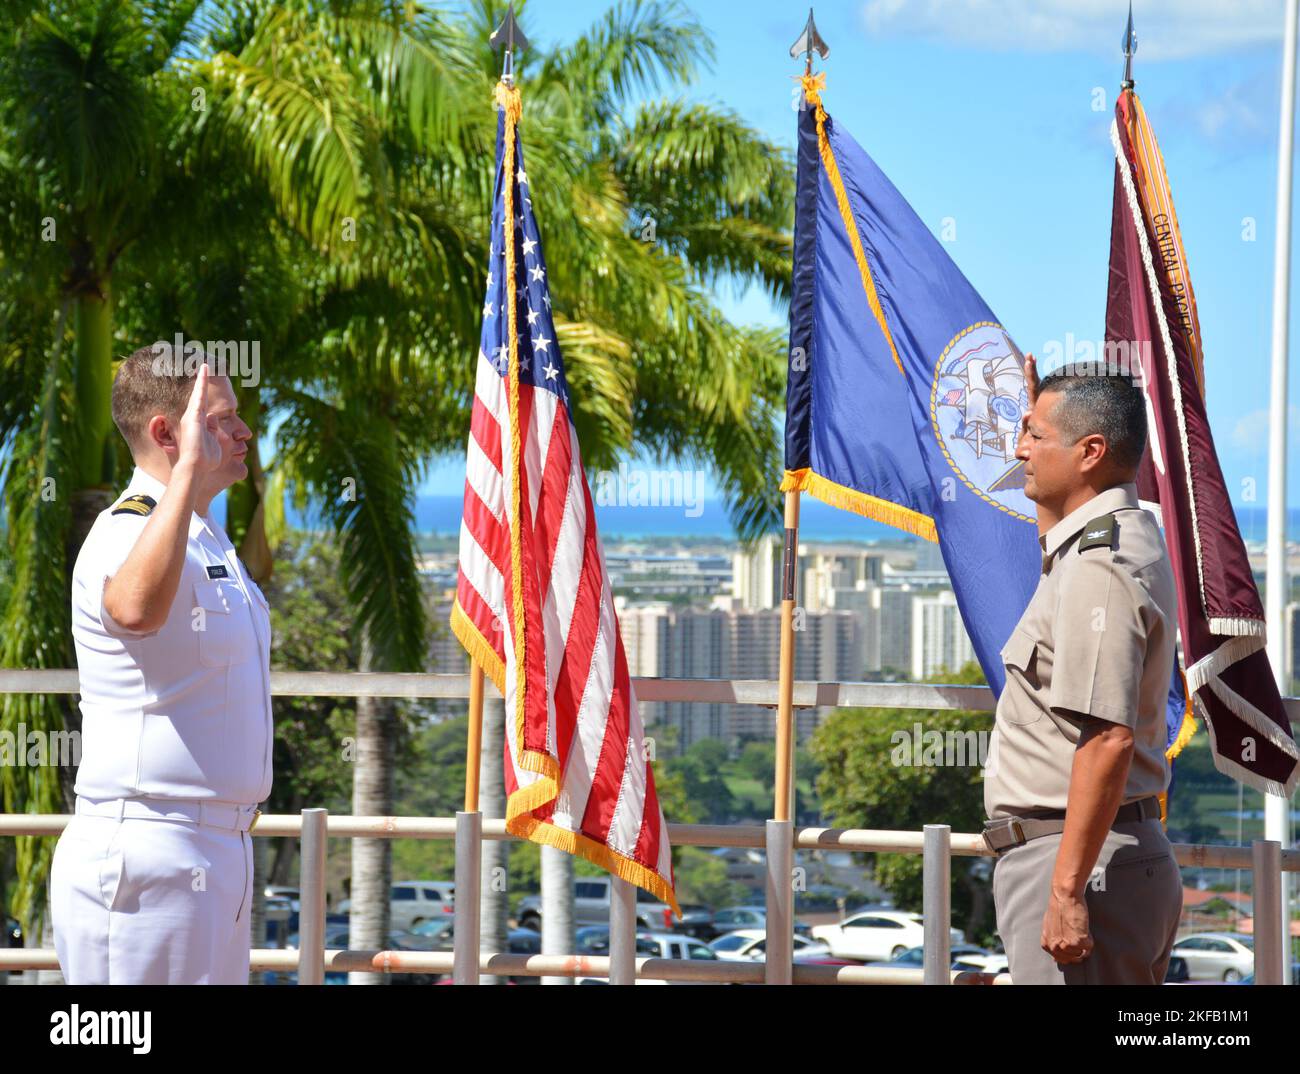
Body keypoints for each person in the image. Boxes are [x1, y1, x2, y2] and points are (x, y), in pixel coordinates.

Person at [50, 342, 272, 984]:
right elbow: (134, 610)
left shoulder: (204, 535)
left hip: (213, 854)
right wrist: (182, 483)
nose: (243, 431)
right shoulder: (127, 527)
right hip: (149, 856)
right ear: (165, 433)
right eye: (223, 417)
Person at [981, 357, 1183, 985]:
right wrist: (1045, 419)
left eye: (1034, 436)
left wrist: (1066, 892)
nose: (1020, 450)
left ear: (1091, 451)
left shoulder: (1098, 567)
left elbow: (1107, 737)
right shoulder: (1114, 536)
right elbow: (1056, 542)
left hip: (1078, 865)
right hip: (1093, 857)